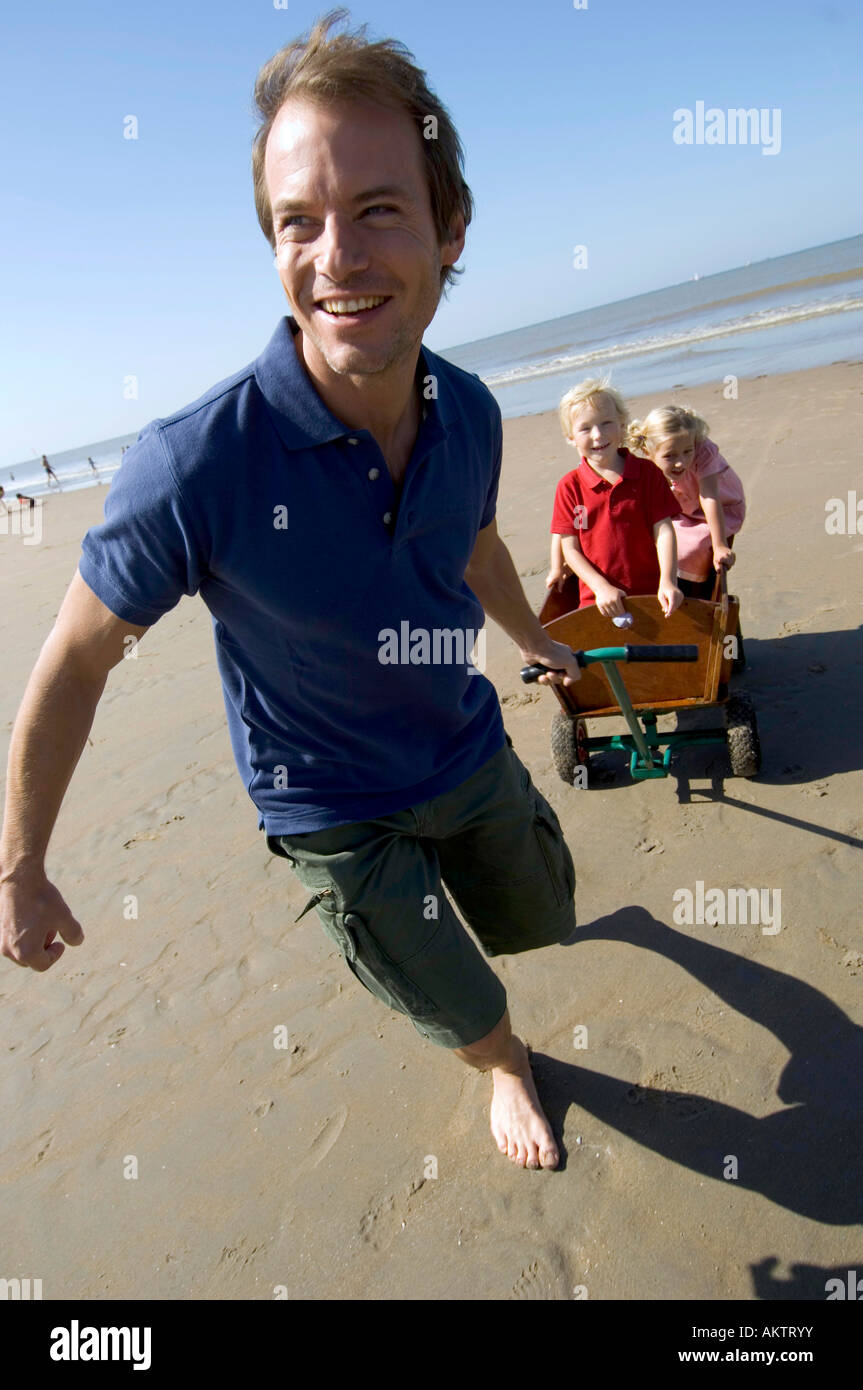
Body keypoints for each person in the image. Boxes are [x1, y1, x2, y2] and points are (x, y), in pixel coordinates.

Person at [0, 10, 583, 1172]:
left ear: (448, 228)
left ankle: (501, 948)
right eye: (297, 223)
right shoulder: (197, 463)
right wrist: (18, 863)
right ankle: (503, 1063)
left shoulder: (467, 408)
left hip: (463, 749)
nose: (337, 258)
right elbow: (73, 655)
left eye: (376, 209)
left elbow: (474, 548)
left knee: (545, 917)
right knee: (459, 993)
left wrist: (539, 642)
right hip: (330, 805)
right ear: (271, 245)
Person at [546, 379, 684, 618]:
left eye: (606, 423)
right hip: (597, 600)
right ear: (571, 437)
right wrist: (600, 587)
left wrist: (669, 581)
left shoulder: (648, 474)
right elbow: (570, 548)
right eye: (585, 428)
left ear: (622, 425)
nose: (598, 435)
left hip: (652, 594)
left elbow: (664, 531)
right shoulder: (569, 487)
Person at [627, 406, 746, 598]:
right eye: (669, 456)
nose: (680, 462)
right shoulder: (646, 464)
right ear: (646, 451)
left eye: (687, 452)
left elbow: (709, 497)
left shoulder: (703, 452)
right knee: (651, 545)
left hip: (720, 507)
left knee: (691, 550)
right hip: (682, 509)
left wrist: (720, 545)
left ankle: (698, 596)